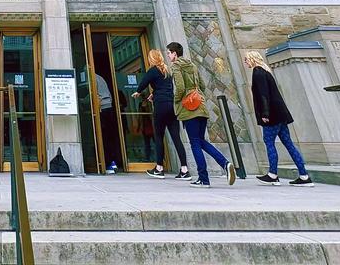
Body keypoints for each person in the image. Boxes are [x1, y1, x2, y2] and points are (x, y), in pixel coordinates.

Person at [168, 42, 236, 188]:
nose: (168, 56)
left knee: (195, 143)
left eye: (169, 53)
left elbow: (179, 87)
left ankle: (203, 179)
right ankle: (225, 163)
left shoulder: (176, 66)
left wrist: (176, 101)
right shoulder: (192, 65)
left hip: (189, 109)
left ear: (174, 53)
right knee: (201, 140)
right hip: (200, 106)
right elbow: (203, 86)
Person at [245, 50, 313, 186]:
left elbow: (263, 94)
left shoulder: (258, 72)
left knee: (269, 142)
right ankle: (304, 175)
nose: (245, 62)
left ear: (252, 59)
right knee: (289, 144)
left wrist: (265, 114)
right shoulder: (266, 71)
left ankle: (273, 174)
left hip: (272, 115)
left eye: (246, 59)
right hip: (280, 113)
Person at [132, 49, 190, 179]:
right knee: (176, 137)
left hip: (161, 106)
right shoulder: (167, 70)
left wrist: (138, 92)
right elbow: (164, 87)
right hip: (172, 105)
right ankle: (184, 169)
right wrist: (154, 94)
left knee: (158, 136)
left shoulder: (153, 70)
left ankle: (159, 168)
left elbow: (144, 82)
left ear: (151, 59)